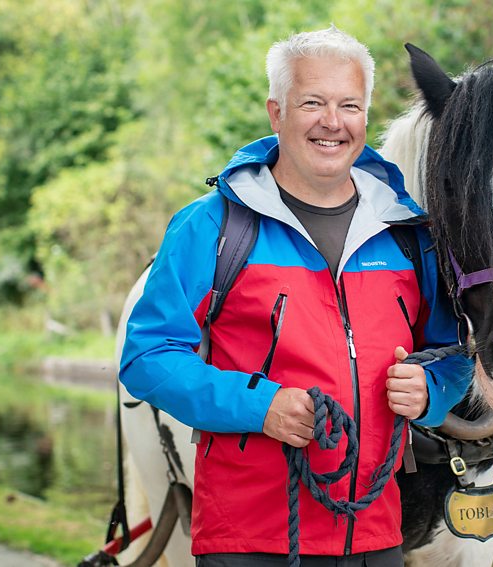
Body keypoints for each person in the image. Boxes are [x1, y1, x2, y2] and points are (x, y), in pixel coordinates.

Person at [119, 26, 473, 567]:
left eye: (349, 105)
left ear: (365, 116)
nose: (333, 122)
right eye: (313, 102)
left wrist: (430, 389)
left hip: (375, 534)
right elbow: (147, 357)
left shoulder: (410, 234)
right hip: (251, 538)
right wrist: (260, 407)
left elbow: (453, 355)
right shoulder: (209, 227)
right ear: (276, 113)